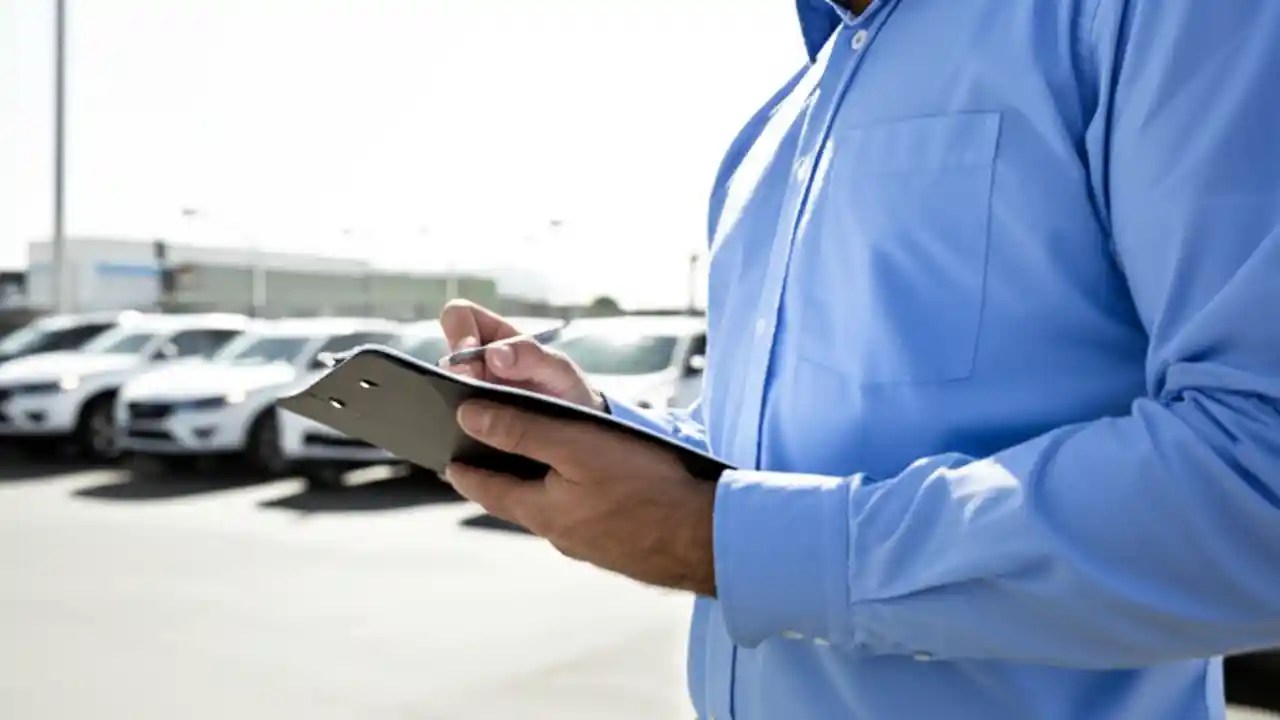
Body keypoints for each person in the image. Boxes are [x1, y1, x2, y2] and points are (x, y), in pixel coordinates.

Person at [438, 0, 1280, 717]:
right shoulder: (774, 131)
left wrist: (714, 539)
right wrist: (612, 430)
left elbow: (1260, 477)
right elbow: (787, 449)